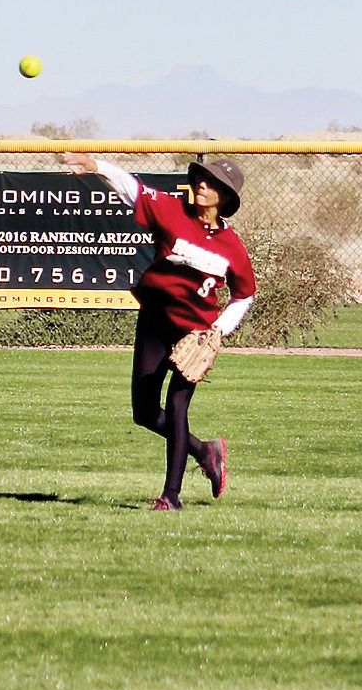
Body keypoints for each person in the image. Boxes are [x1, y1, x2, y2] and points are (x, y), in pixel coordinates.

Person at [60, 152, 256, 510]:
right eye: (201, 178)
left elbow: (244, 294)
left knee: (177, 406)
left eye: (212, 183)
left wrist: (219, 330)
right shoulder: (172, 211)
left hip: (194, 333)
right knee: (145, 413)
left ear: (226, 197)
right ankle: (205, 451)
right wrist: (95, 166)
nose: (202, 185)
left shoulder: (232, 248)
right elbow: (132, 190)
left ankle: (171, 496)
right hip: (154, 321)